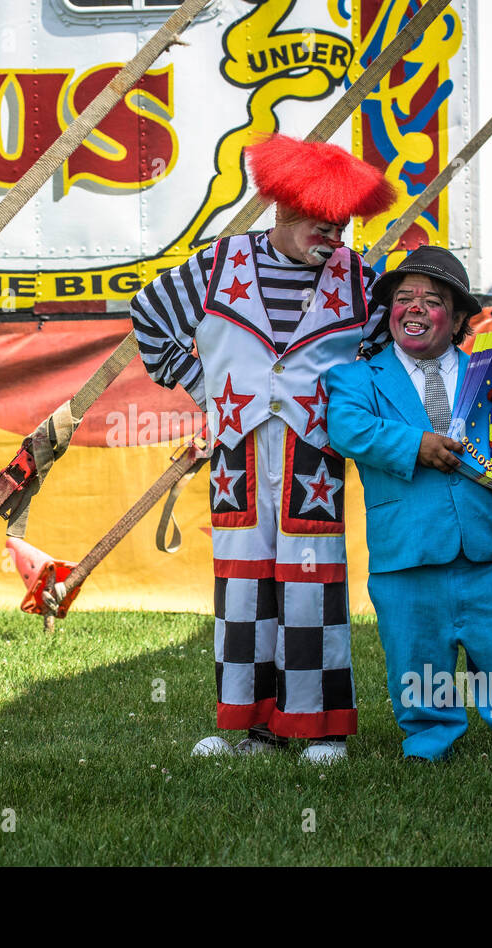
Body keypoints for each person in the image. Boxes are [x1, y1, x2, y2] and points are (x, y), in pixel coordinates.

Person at [129, 133, 396, 764]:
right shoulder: (219, 264)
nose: (334, 235)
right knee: (242, 590)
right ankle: (251, 728)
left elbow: (389, 355)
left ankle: (318, 726)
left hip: (315, 458)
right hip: (237, 457)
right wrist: (200, 386)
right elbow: (148, 315)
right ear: (282, 208)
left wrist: (356, 408)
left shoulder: (361, 280)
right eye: (322, 222)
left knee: (313, 587)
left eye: (343, 224)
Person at [323, 245, 492, 761]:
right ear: (389, 313)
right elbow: (347, 428)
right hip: (407, 557)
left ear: (456, 320)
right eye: (403, 298)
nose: (413, 307)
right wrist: (417, 445)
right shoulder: (357, 378)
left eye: (431, 300)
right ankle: (430, 744)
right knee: (418, 664)